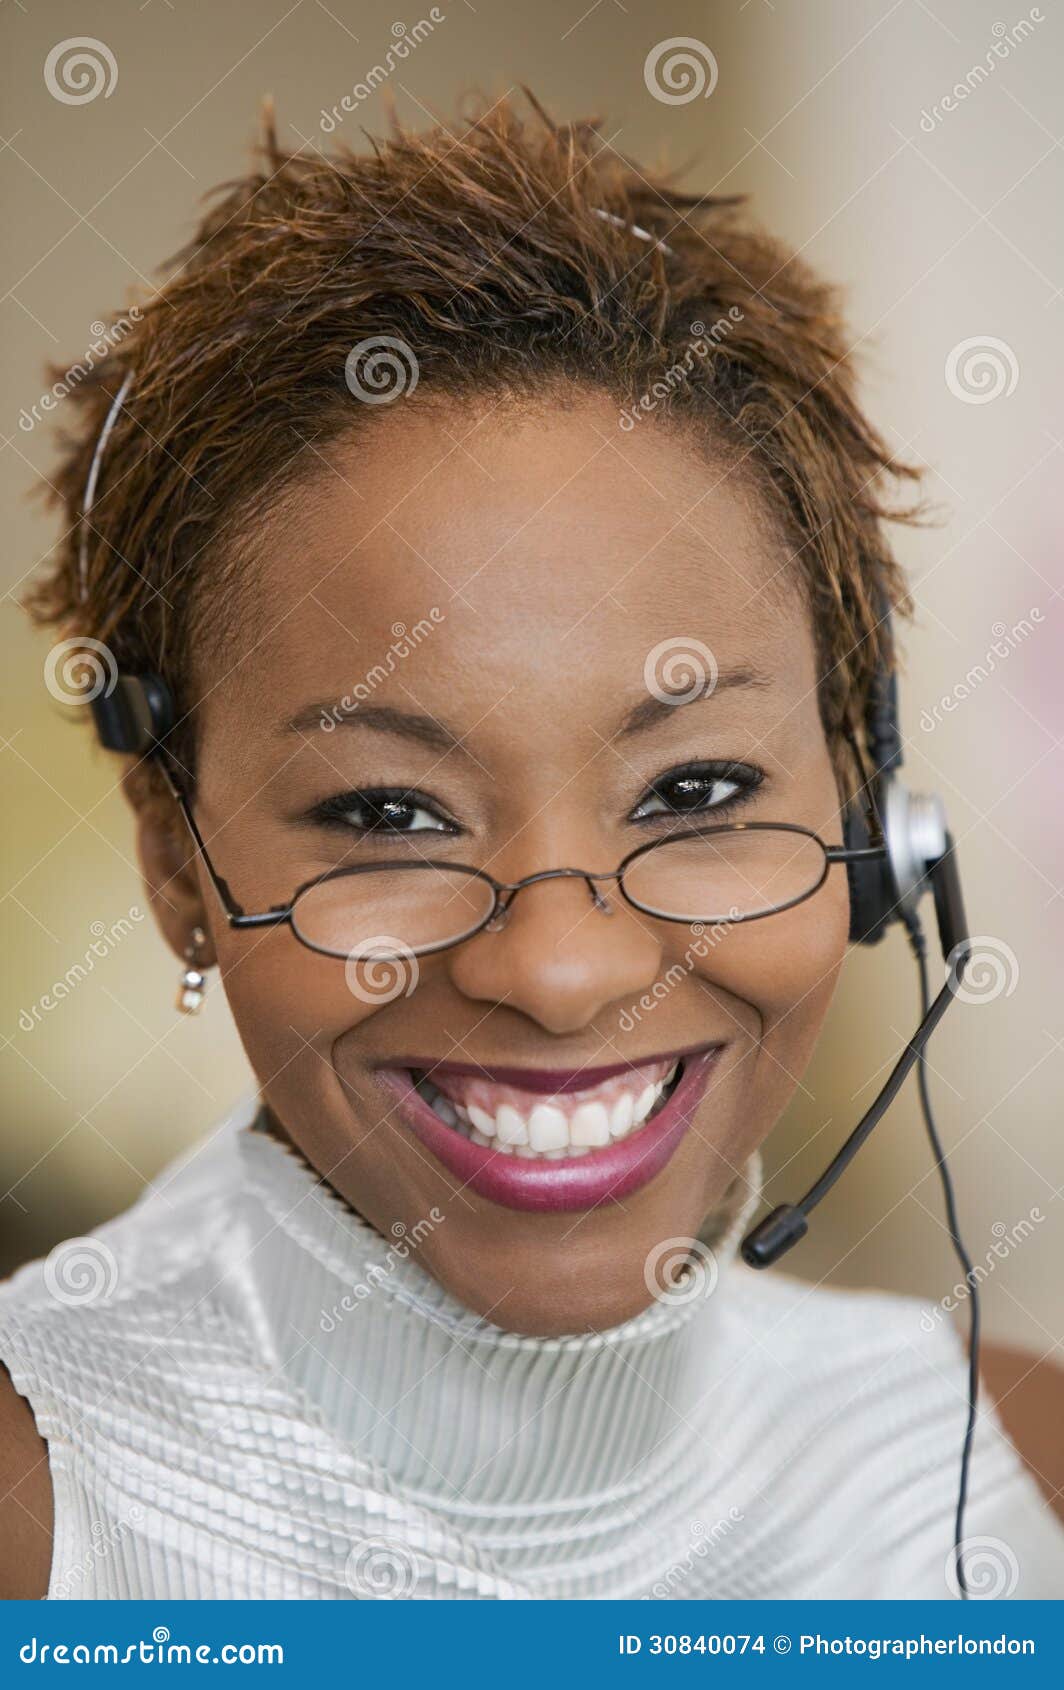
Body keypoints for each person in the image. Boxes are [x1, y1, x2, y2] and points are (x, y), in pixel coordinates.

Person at [2, 96, 1061, 1601]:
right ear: (178, 861)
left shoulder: (1022, 1487)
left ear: (870, 823)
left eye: (693, 790)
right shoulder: (36, 1526)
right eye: (387, 813)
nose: (561, 972)